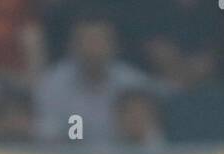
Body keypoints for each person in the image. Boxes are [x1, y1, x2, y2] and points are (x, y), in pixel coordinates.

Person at [35, 15, 149, 145]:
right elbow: (46, 135)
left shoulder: (133, 84)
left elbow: (152, 140)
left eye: (99, 41)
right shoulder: (53, 85)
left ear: (114, 46)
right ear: (72, 46)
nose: (93, 49)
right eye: (86, 41)